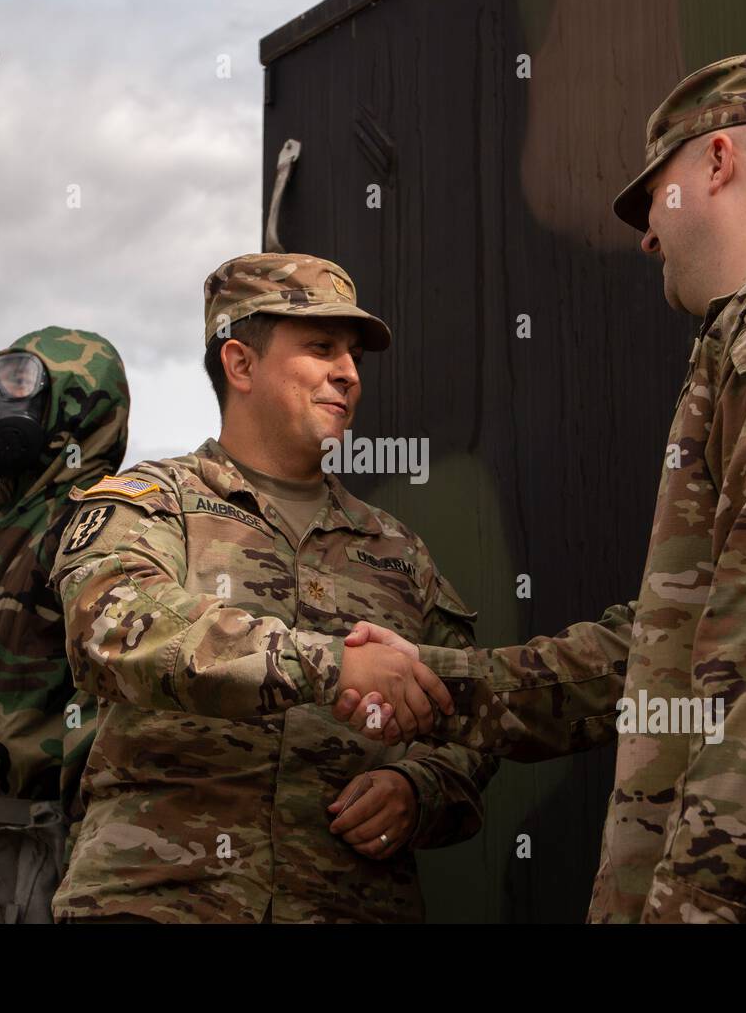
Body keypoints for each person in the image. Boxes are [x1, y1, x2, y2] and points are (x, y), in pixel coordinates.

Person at [338, 53, 746, 924]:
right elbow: (673, 646)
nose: (646, 234)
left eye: (653, 196)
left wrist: (689, 905)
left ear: (718, 162)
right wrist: (442, 683)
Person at [49, 252, 495, 923]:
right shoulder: (151, 503)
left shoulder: (399, 554)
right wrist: (330, 663)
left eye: (354, 357)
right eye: (320, 348)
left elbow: (467, 710)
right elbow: (112, 630)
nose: (347, 372)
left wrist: (420, 787)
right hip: (161, 903)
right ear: (241, 364)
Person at [0, 326, 130, 923]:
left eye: (17, 381)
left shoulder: (95, 530)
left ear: (76, 407)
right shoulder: (2, 541)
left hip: (32, 862)